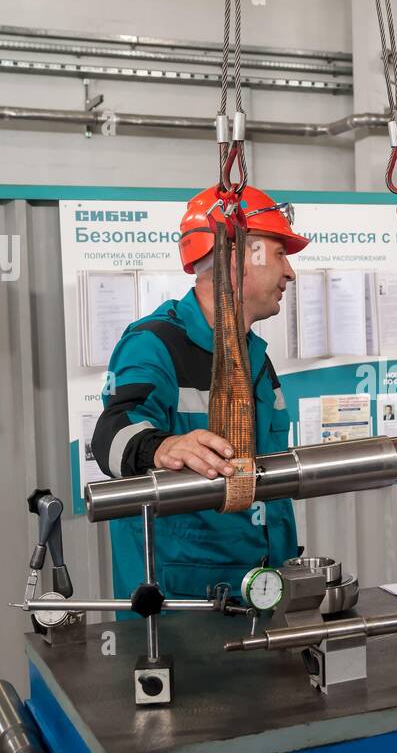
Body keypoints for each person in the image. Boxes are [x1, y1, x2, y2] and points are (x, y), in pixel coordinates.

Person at [91, 185, 308, 600]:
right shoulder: (155, 343)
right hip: (186, 597)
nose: (290, 273)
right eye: (280, 254)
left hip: (263, 580)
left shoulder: (254, 356)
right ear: (237, 254)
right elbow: (110, 436)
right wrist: (161, 446)